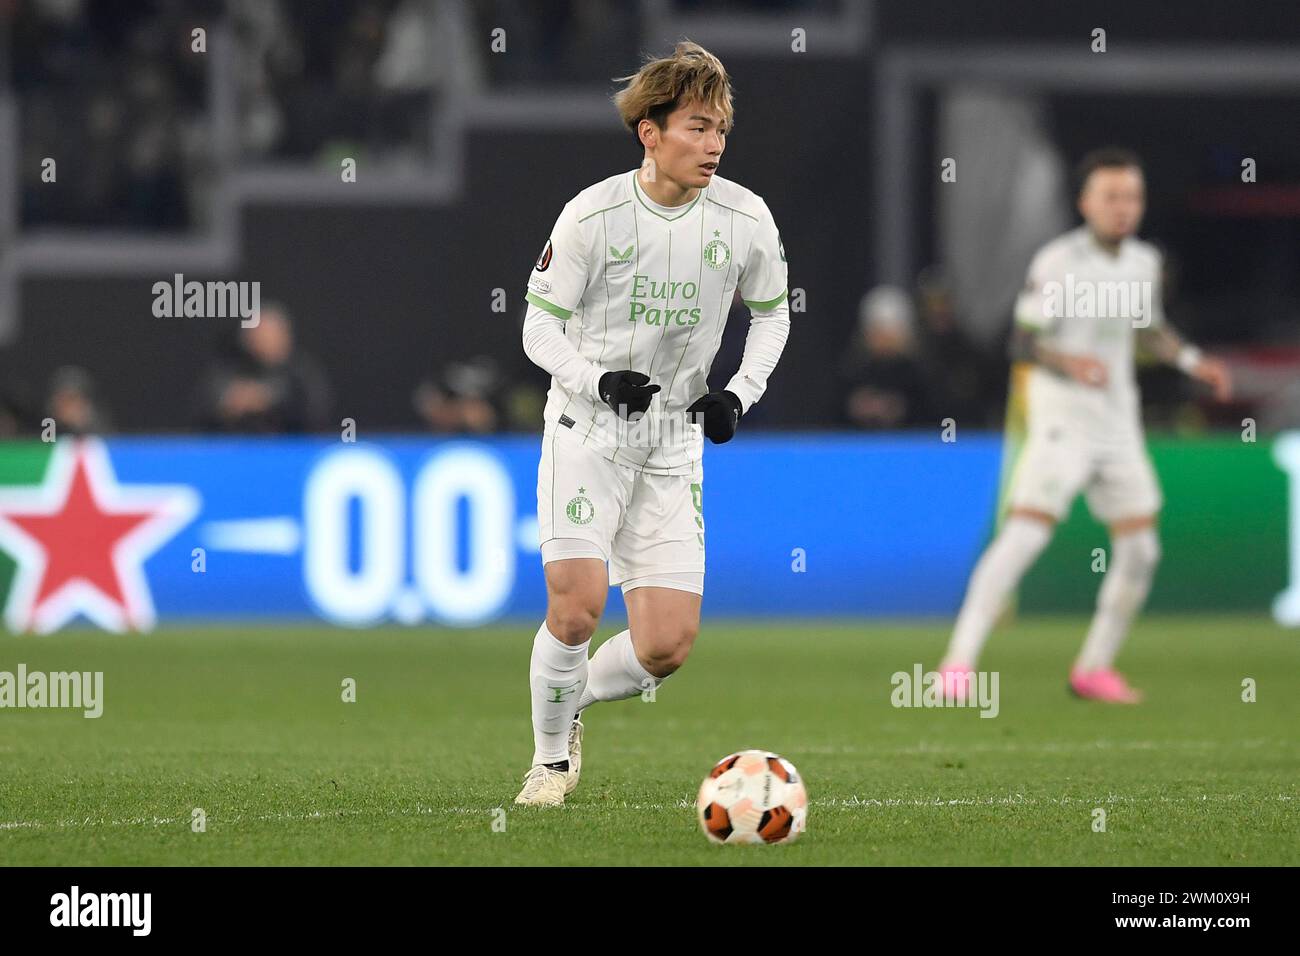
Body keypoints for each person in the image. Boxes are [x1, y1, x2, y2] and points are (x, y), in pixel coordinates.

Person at [514, 41, 790, 805]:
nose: (714, 145)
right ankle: (549, 763)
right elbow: (538, 327)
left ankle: (569, 700)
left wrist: (739, 393)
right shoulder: (593, 214)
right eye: (698, 127)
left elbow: (772, 315)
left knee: (665, 647)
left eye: (721, 130)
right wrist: (597, 380)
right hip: (587, 432)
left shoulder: (745, 217)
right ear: (650, 132)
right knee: (576, 606)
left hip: (672, 446)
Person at [937, 148, 1232, 703]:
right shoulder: (1058, 262)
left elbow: (1148, 330)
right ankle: (957, 665)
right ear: (1085, 203)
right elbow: (1022, 342)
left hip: (1118, 424)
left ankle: (1093, 669)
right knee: (1026, 535)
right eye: (1111, 196)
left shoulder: (1144, 262)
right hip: (1062, 420)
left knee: (1142, 550)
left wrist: (1194, 362)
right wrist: (1070, 362)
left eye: (1132, 197)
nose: (1124, 207)